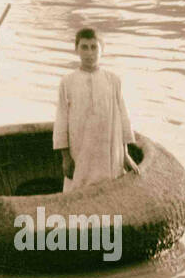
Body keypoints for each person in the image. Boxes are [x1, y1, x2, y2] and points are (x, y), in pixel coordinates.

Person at [53, 27, 140, 192]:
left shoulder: (113, 81)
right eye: (84, 47)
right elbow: (61, 120)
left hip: (107, 150)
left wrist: (125, 154)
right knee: (78, 189)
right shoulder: (68, 82)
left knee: (109, 189)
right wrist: (65, 158)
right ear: (76, 49)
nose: (89, 53)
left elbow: (123, 118)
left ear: (102, 50)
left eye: (94, 47)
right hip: (80, 148)